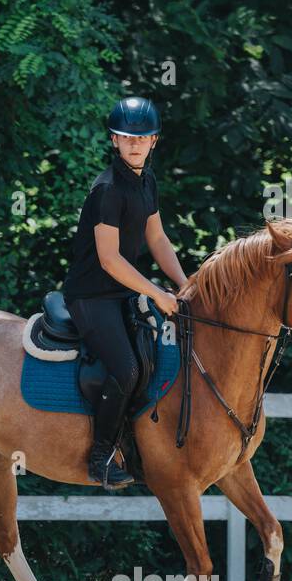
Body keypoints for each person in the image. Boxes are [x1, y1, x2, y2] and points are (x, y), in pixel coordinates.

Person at [62, 96, 188, 490]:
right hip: (91, 295)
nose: (135, 144)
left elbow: (157, 237)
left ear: (154, 142)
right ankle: (99, 458)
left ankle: (135, 446)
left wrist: (184, 286)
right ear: (114, 141)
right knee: (128, 368)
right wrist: (158, 294)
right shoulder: (108, 189)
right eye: (126, 137)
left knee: (156, 359)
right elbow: (110, 260)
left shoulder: (146, 181)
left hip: (122, 292)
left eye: (143, 137)